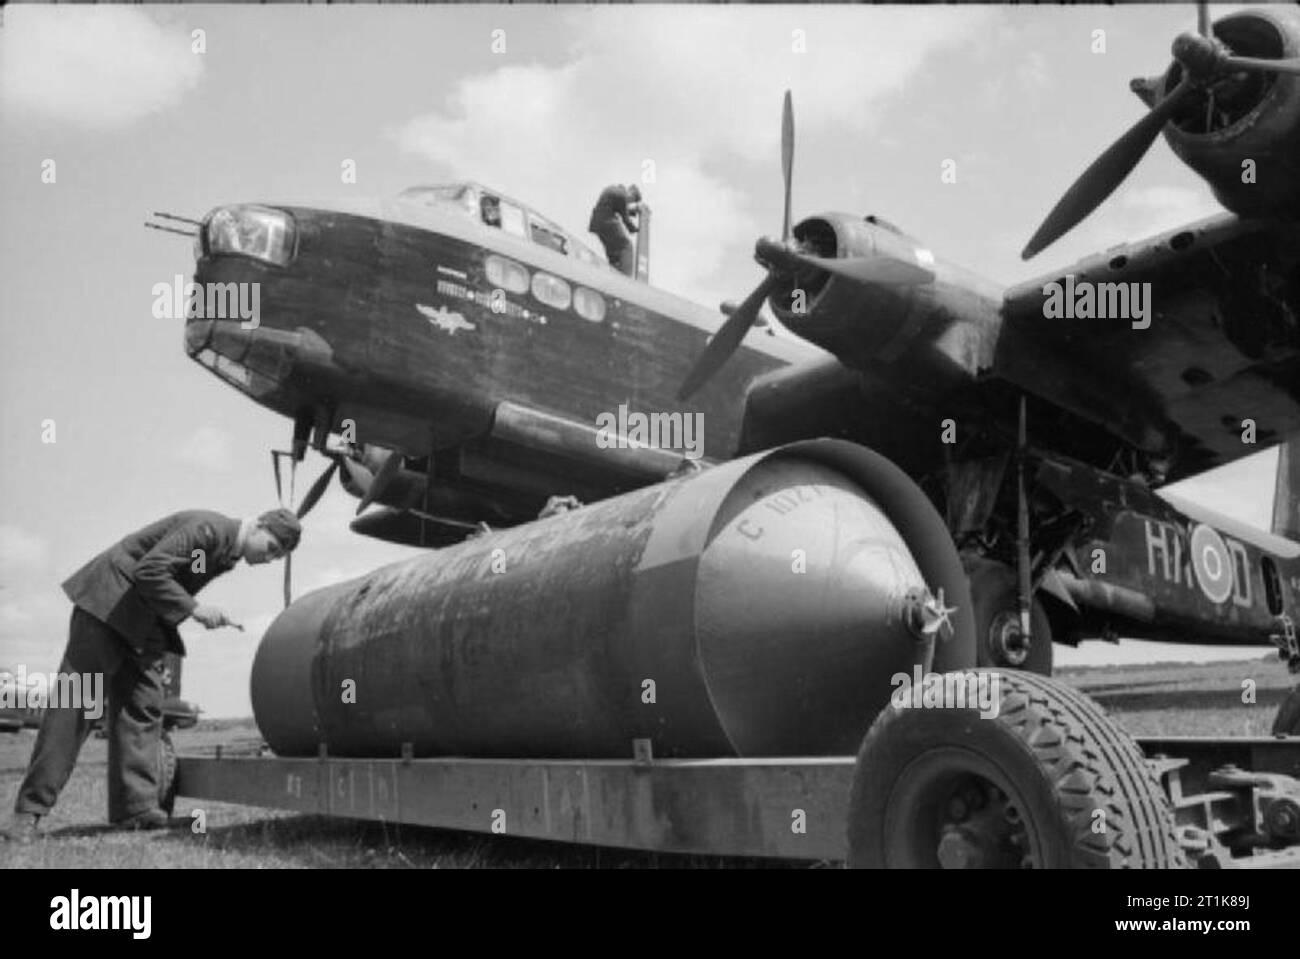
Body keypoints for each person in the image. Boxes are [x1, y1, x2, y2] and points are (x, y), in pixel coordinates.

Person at [0, 508, 301, 842]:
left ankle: (137, 811)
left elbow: (176, 575)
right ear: (258, 524)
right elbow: (151, 569)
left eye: (278, 556)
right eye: (272, 547)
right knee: (76, 707)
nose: (270, 558)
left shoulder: (223, 552)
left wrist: (183, 611)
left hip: (143, 623)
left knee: (143, 707)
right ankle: (26, 814)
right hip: (108, 607)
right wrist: (194, 609)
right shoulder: (207, 531)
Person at [588, 183, 641, 276]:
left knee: (613, 254)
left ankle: (613, 275)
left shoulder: (614, 190)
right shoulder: (622, 194)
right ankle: (626, 280)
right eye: (631, 200)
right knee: (626, 246)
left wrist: (632, 211)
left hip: (597, 222)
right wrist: (636, 229)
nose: (629, 202)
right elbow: (625, 218)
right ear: (631, 193)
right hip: (606, 220)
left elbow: (620, 208)